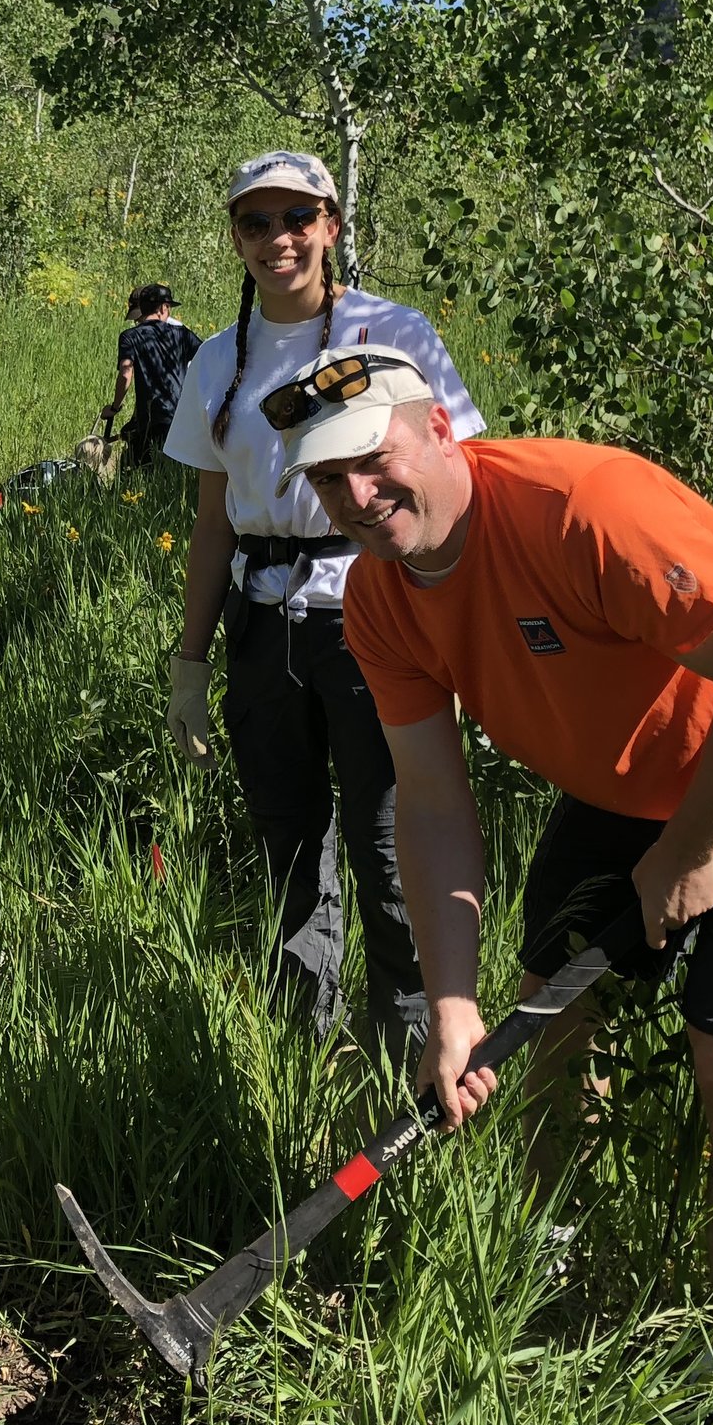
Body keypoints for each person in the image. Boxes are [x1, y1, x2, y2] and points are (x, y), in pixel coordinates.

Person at [282, 350, 713, 1358]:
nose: (356, 494)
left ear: (439, 430)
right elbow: (430, 805)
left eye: (371, 458)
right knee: (547, 1010)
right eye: (326, 478)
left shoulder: (582, 511)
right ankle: (548, 1283)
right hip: (629, 777)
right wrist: (451, 1006)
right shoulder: (380, 602)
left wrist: (690, 850)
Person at [163, 151, 484, 1059]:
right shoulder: (219, 360)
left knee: (390, 839)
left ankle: (413, 1055)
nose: (279, 240)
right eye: (257, 224)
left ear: (332, 226)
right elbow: (214, 523)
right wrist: (193, 660)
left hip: (376, 606)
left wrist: (462, 628)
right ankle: (307, 1049)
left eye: (298, 219)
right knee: (289, 840)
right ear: (236, 238)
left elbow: (462, 480)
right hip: (263, 621)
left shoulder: (396, 333)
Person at [102, 282, 201, 468]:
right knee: (172, 472)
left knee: (139, 470)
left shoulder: (130, 336)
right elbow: (207, 361)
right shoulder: (182, 334)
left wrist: (114, 408)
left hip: (148, 421)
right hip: (180, 417)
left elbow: (125, 374)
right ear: (164, 307)